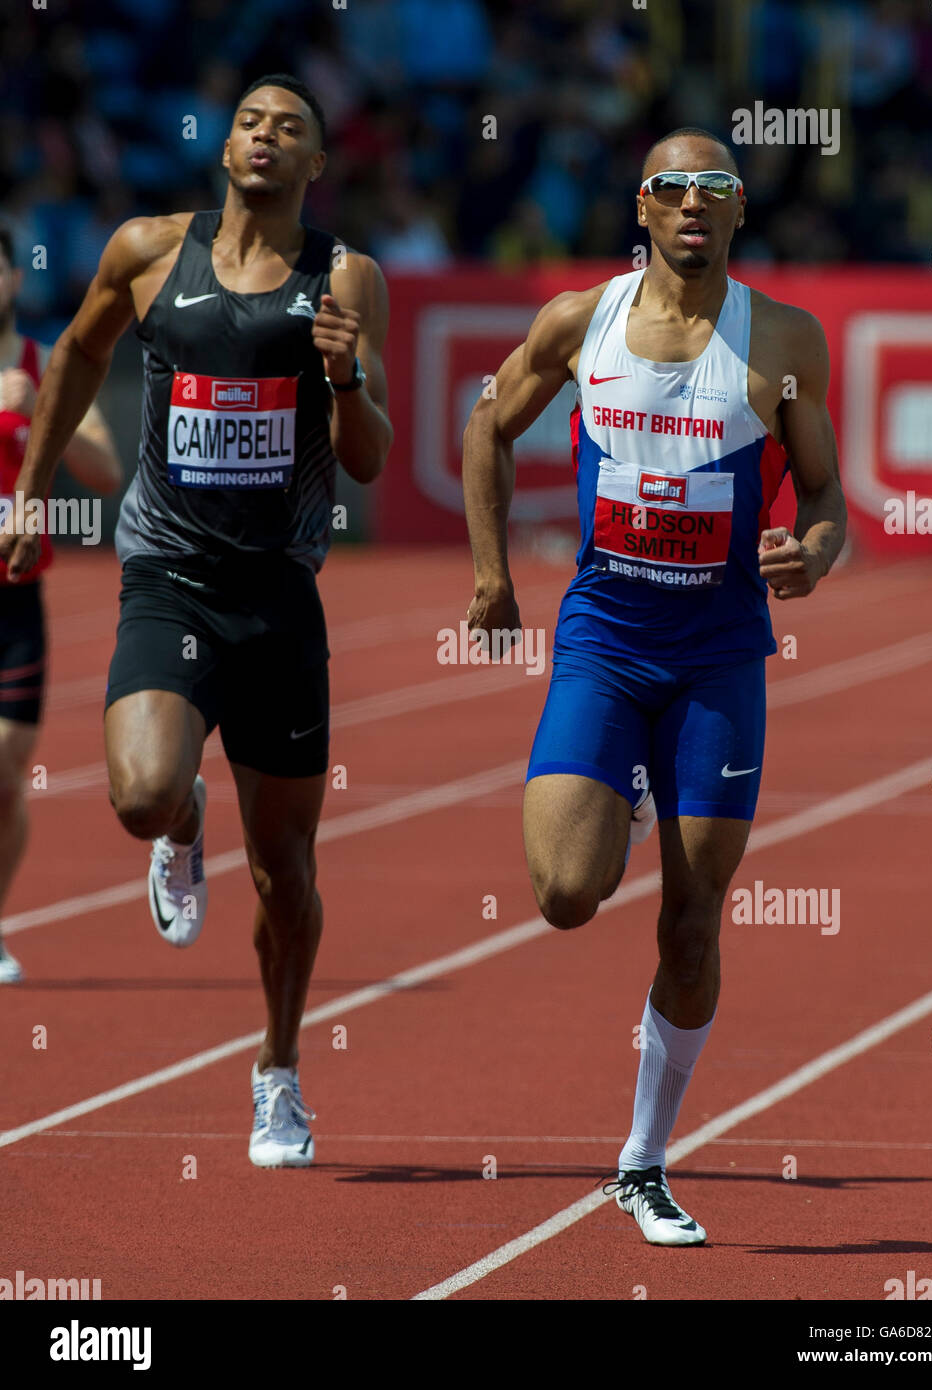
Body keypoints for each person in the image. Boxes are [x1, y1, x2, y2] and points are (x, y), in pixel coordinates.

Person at [462, 128, 846, 1244]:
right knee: (565, 895)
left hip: (720, 656)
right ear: (642, 206)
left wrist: (811, 555)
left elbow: (825, 500)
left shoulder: (779, 342)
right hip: (604, 641)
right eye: (671, 187)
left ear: (737, 215)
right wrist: (492, 577)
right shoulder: (579, 321)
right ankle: (623, 794)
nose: (691, 204)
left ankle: (641, 1160)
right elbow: (489, 422)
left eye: (713, 189)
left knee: (691, 922)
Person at [0, 75, 393, 1165]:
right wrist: (31, 489)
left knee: (287, 873)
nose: (266, 137)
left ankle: (278, 1068)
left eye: (292, 130)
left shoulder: (344, 274)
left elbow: (368, 456)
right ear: (225, 147)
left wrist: (347, 376)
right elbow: (76, 352)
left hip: (278, 593)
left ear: (317, 165)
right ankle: (181, 820)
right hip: (169, 572)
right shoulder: (144, 249)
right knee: (139, 792)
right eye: (251, 122)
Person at [0, 224, 121, 984]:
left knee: (4, 777)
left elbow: (107, 470)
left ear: (16, 277)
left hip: (15, 604)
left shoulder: (43, 365)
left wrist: (43, 405)